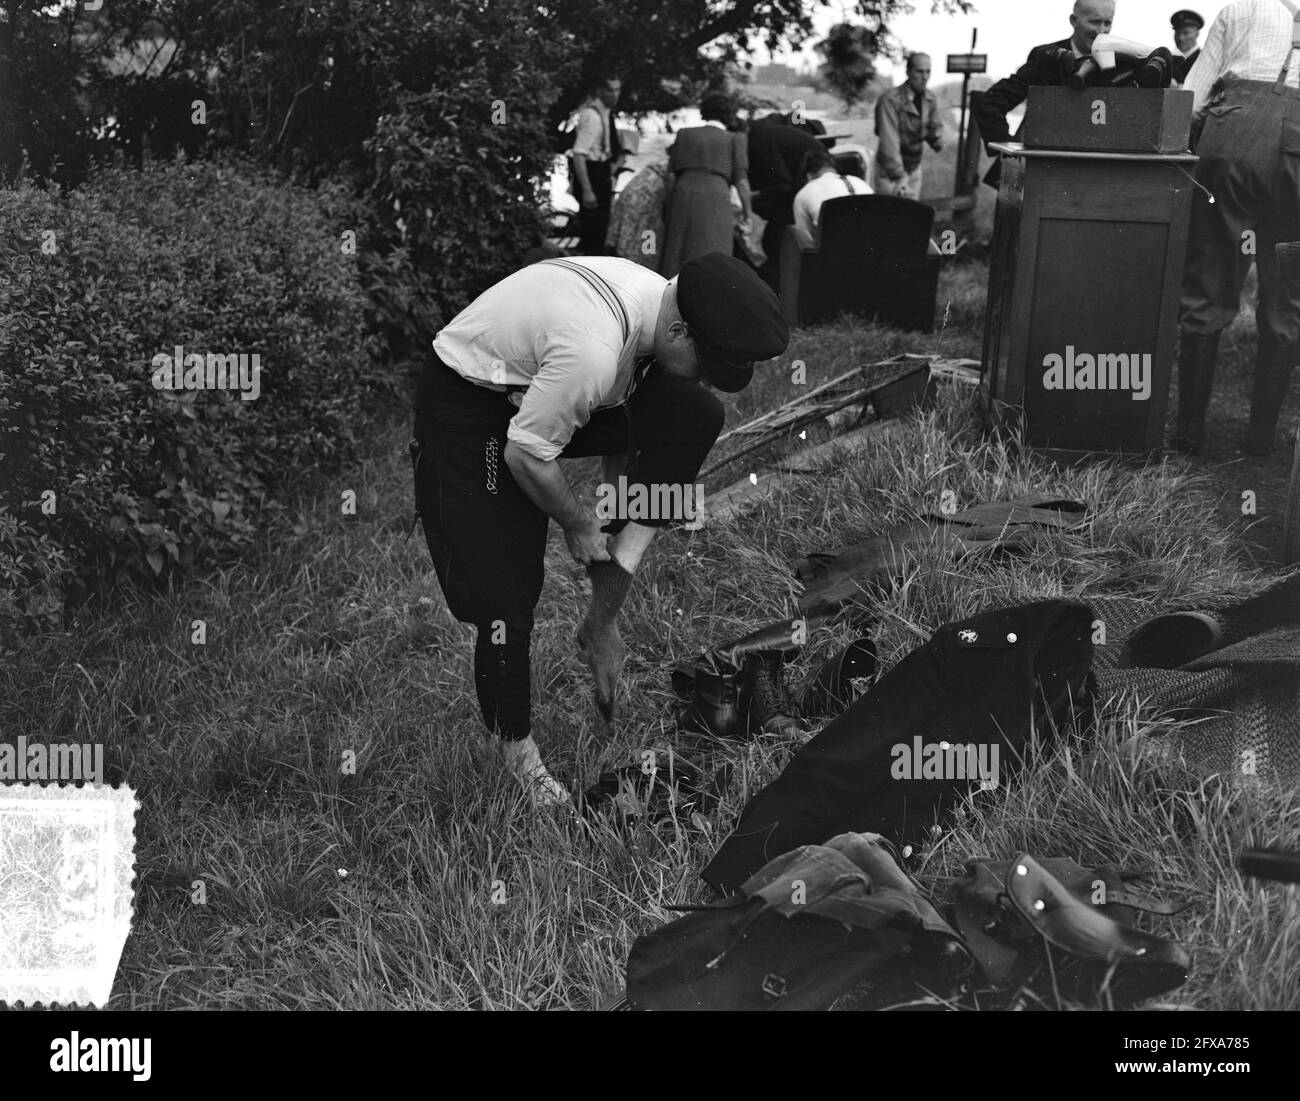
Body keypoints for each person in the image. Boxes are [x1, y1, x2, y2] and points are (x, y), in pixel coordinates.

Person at [411, 253, 790, 804]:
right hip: (473, 410)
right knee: (504, 596)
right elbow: (526, 457)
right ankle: (515, 755)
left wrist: (610, 558)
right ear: (679, 330)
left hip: (542, 388)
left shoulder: (659, 305)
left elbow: (628, 411)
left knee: (693, 411)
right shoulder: (590, 351)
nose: (706, 376)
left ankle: (609, 599)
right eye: (705, 364)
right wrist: (578, 524)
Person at [1171, 0, 1300, 456]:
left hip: (1234, 135)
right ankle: (1261, 440)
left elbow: (1191, 98)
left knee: (1210, 277)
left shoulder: (1240, 8)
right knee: (1288, 298)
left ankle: (1189, 433)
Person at [974, 0, 1117, 188]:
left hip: (1088, 178)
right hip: (1034, 176)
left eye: (1108, 22)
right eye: (1095, 22)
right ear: (1074, 20)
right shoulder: (1046, 58)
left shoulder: (1117, 63)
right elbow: (990, 103)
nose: (1102, 30)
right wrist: (1011, 152)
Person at [660, 92, 751, 279]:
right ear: (730, 114)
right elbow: (741, 181)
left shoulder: (684, 134)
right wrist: (747, 214)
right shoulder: (735, 139)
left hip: (682, 193)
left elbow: (670, 176)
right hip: (716, 195)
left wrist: (668, 205)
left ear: (704, 111)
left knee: (676, 253)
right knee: (713, 251)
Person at [746, 114, 826, 289]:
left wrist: (754, 197)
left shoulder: (759, 139)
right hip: (804, 173)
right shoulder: (762, 134)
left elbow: (782, 185)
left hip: (808, 175)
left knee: (777, 237)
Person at [872, 53, 944, 199]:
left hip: (914, 167)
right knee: (889, 217)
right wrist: (899, 176)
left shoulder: (929, 99)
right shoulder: (890, 100)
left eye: (928, 71)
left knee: (912, 218)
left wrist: (937, 139)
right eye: (919, 71)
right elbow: (889, 142)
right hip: (891, 172)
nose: (924, 77)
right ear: (908, 72)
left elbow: (935, 129)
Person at [570, 74, 626, 256]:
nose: (615, 95)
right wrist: (587, 190)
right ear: (600, 90)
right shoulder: (592, 117)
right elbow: (579, 154)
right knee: (594, 237)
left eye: (618, 90)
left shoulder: (605, 114)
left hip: (601, 173)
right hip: (591, 175)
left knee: (600, 231)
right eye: (610, 90)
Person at [791, 149, 872, 249]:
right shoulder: (859, 182)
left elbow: (805, 239)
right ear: (833, 168)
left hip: (833, 253)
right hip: (870, 246)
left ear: (808, 175)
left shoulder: (803, 194)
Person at [605, 158, 670, 269]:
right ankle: (641, 267)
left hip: (632, 197)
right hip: (647, 204)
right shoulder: (671, 171)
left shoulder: (658, 167)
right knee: (648, 236)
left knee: (628, 233)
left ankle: (623, 255)